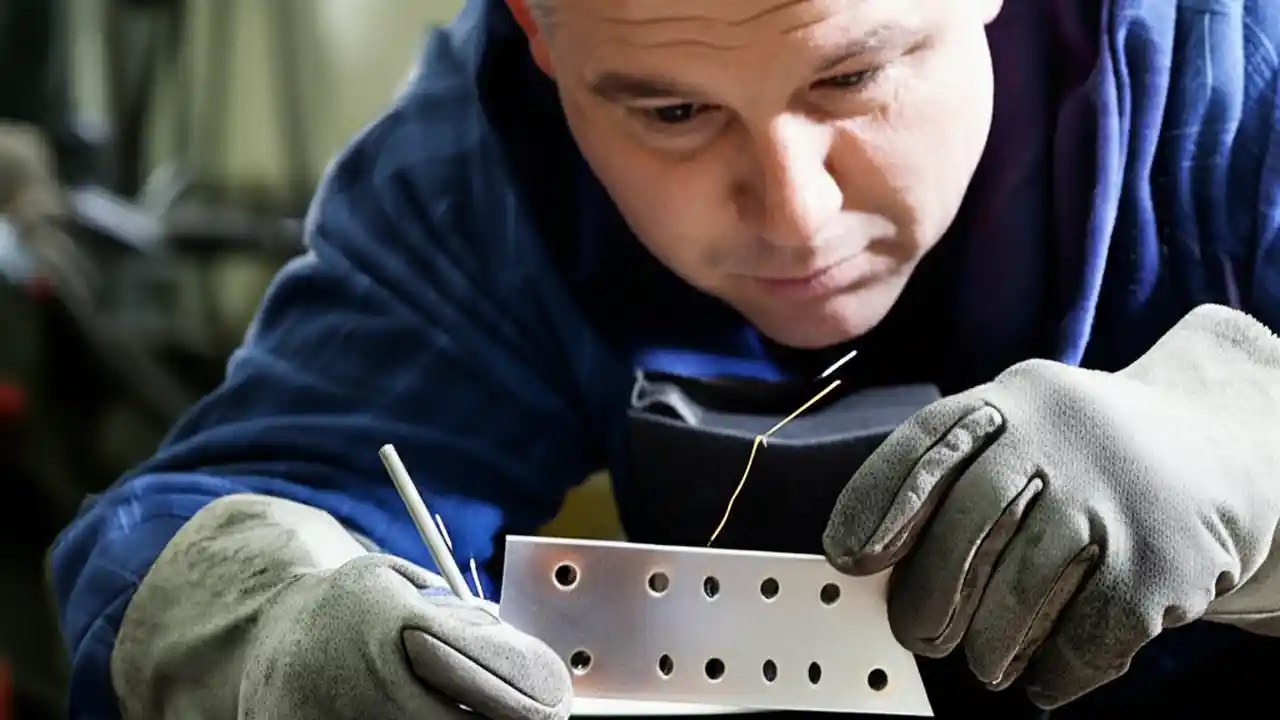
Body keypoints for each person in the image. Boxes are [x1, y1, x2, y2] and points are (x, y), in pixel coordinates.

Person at [48, 0, 1280, 717]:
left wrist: (1253, 454)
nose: (792, 217)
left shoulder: (1243, 81)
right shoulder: (489, 166)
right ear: (536, 26)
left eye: (852, 75)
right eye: (670, 113)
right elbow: (217, 512)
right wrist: (272, 632)